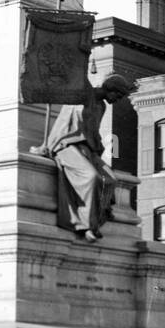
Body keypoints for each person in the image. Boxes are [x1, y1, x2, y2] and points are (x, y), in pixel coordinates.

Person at [39, 75, 128, 241]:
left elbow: (93, 133)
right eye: (119, 95)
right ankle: (86, 225)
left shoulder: (101, 106)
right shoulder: (82, 95)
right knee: (92, 177)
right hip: (67, 146)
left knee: (110, 177)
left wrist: (97, 151)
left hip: (89, 149)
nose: (118, 100)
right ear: (111, 89)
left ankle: (100, 215)